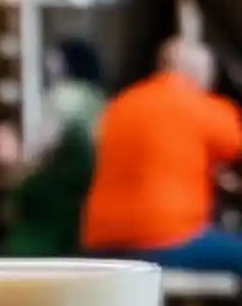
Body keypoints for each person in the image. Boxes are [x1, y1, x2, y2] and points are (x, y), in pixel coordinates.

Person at [83, 38, 242, 272]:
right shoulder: (202, 106)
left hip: (105, 242)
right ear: (199, 72)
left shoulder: (120, 104)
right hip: (167, 238)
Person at [4, 39, 106, 256]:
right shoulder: (99, 98)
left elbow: (43, 143)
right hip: (91, 189)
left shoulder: (64, 97)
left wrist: (19, 164)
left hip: (59, 188)